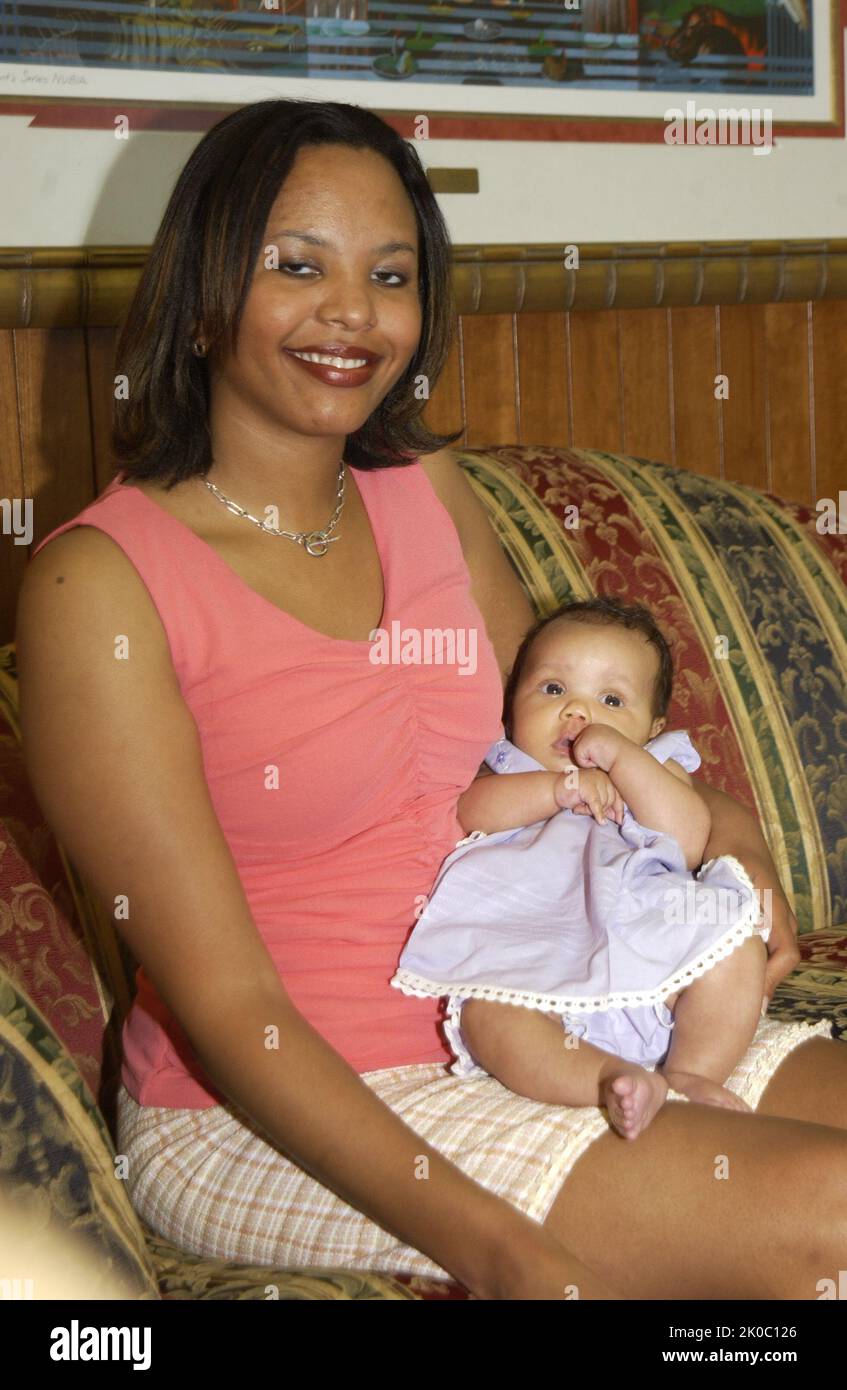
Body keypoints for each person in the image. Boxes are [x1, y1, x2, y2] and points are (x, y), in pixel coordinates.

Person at [14, 98, 846, 1302]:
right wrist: (501, 1246)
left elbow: (577, 748)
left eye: (389, 273)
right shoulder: (99, 583)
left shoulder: (421, 488)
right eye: (296, 265)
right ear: (200, 296)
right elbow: (231, 1010)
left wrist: (736, 832)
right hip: (279, 1101)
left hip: (541, 1015)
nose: (351, 311)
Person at [392, 597, 776, 1141]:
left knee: (736, 944)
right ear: (511, 705)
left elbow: (687, 840)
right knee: (487, 1018)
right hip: (534, 959)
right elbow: (471, 813)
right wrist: (558, 789)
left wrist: (624, 760)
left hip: (650, 951)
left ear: (653, 725)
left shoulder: (656, 764)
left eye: (612, 700)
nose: (578, 713)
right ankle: (609, 1078)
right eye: (553, 690)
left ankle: (692, 1073)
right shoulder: (507, 764)